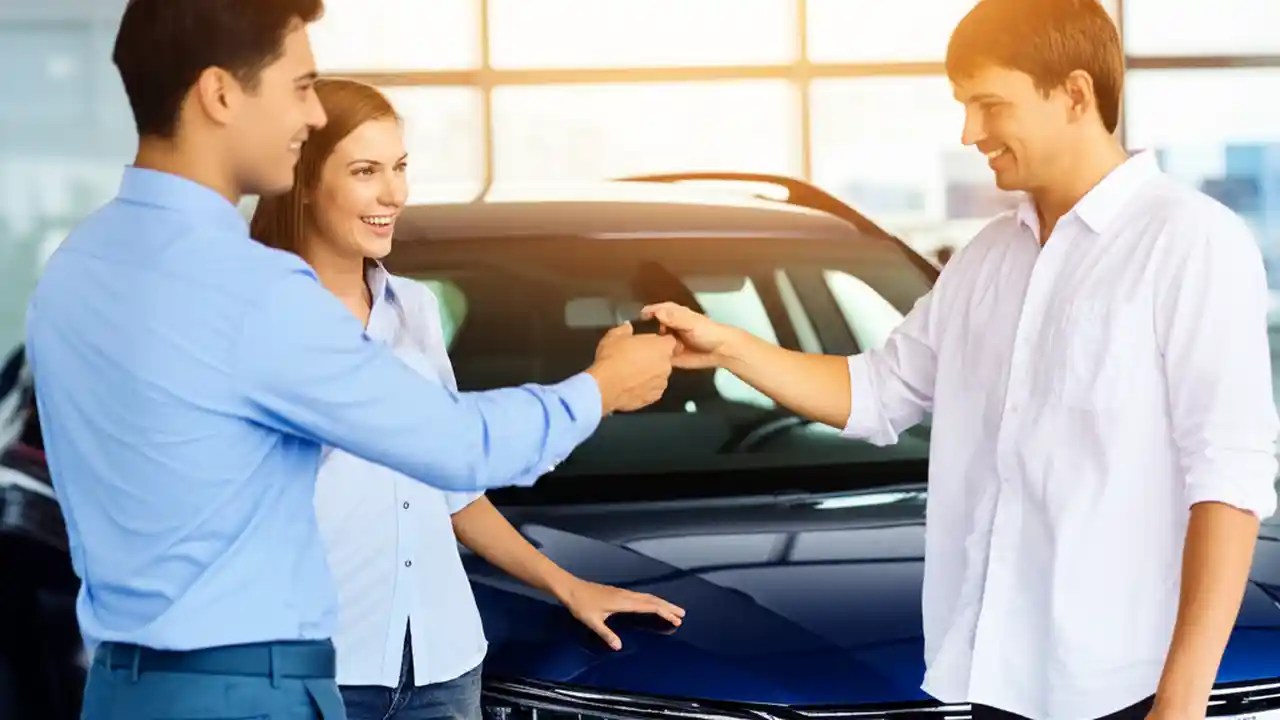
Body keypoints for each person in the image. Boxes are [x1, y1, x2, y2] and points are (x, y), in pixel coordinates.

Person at [24, 1, 676, 718]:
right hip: (254, 690)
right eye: (300, 87)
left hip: (128, 687)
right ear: (219, 94)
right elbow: (460, 445)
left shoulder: (75, 270)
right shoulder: (255, 292)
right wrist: (602, 386)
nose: (308, 118)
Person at [642, 1, 1279, 719]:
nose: (970, 133)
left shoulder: (1190, 242)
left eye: (990, 104)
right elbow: (878, 393)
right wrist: (730, 344)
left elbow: (1229, 479)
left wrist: (1183, 701)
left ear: (1075, 94)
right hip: (998, 682)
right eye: (964, 106)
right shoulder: (987, 258)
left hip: (1127, 691)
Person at [249, 77, 686, 720]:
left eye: (399, 167)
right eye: (366, 170)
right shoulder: (260, 322)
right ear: (304, 179)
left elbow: (453, 478)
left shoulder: (416, 309)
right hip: (313, 672)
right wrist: (600, 389)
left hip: (442, 665)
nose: (394, 193)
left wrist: (568, 586)